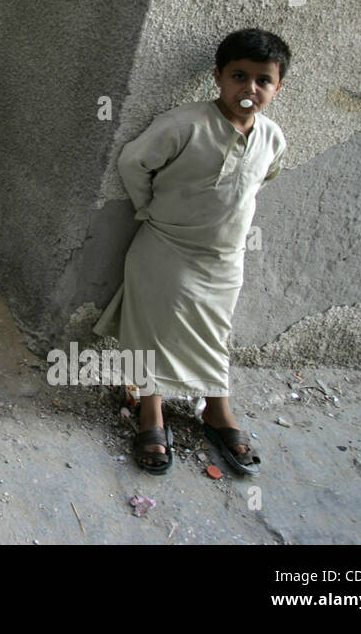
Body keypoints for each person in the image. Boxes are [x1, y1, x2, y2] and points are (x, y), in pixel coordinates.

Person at [94, 28, 290, 476]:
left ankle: (217, 411)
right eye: (239, 76)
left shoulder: (271, 138)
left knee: (215, 334)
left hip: (224, 259)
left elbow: (264, 176)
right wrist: (149, 208)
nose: (250, 89)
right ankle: (151, 412)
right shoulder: (186, 124)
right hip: (166, 247)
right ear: (218, 77)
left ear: (278, 88)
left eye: (263, 80)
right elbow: (133, 161)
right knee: (154, 331)